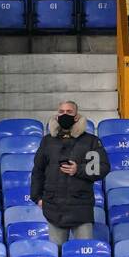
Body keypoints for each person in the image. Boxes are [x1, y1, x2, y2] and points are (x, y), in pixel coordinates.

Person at [30, 100, 110, 246]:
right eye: (61, 112)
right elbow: (38, 171)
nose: (64, 115)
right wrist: (37, 198)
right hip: (54, 208)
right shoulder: (47, 141)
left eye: (69, 112)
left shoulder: (91, 141)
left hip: (81, 208)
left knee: (84, 251)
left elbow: (102, 167)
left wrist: (78, 170)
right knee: (57, 254)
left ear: (77, 116)